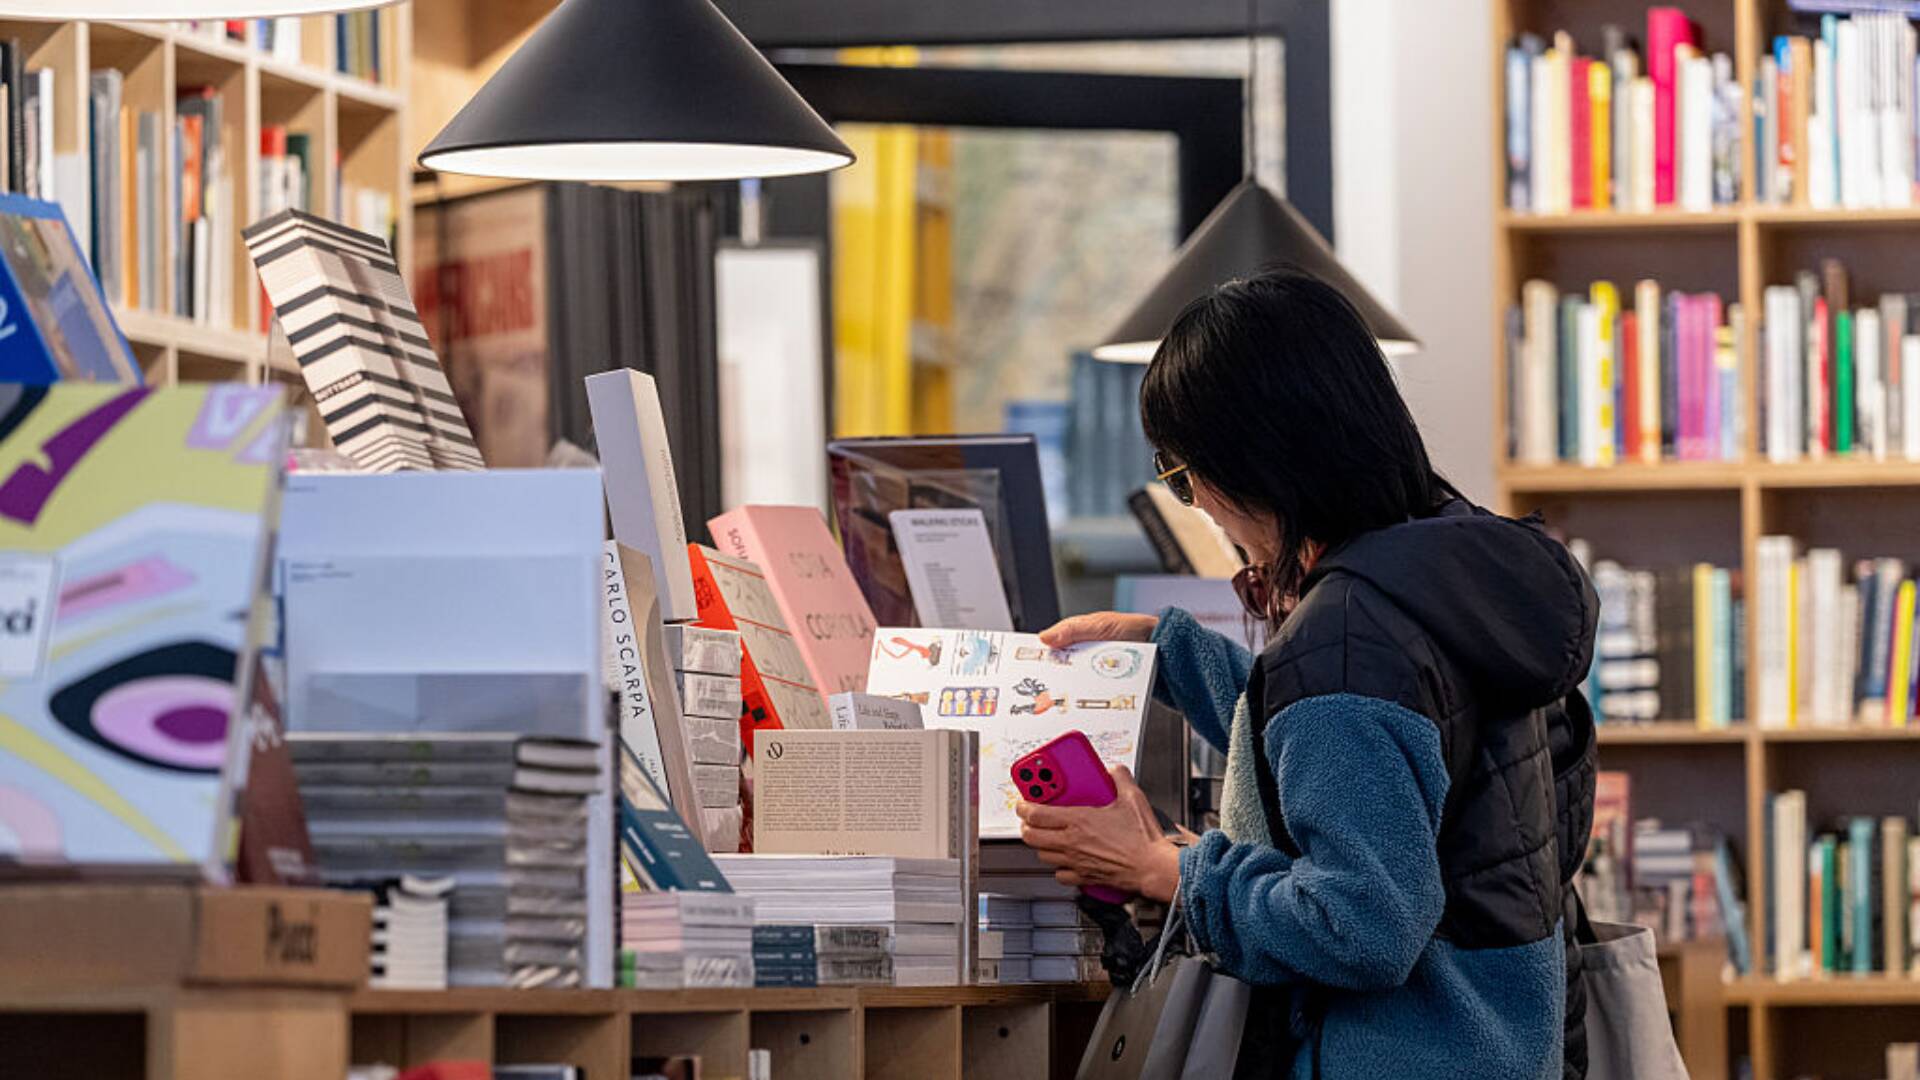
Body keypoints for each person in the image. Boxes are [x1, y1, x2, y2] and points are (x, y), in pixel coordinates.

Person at [1016, 267, 1599, 1080]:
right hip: (1500, 1044)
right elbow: (1383, 759)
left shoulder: (1348, 644)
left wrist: (1166, 869)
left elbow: (1362, 925)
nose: (1202, 511)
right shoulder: (1448, 573)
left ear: (1254, 465)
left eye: (1185, 480)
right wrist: (1172, 653)